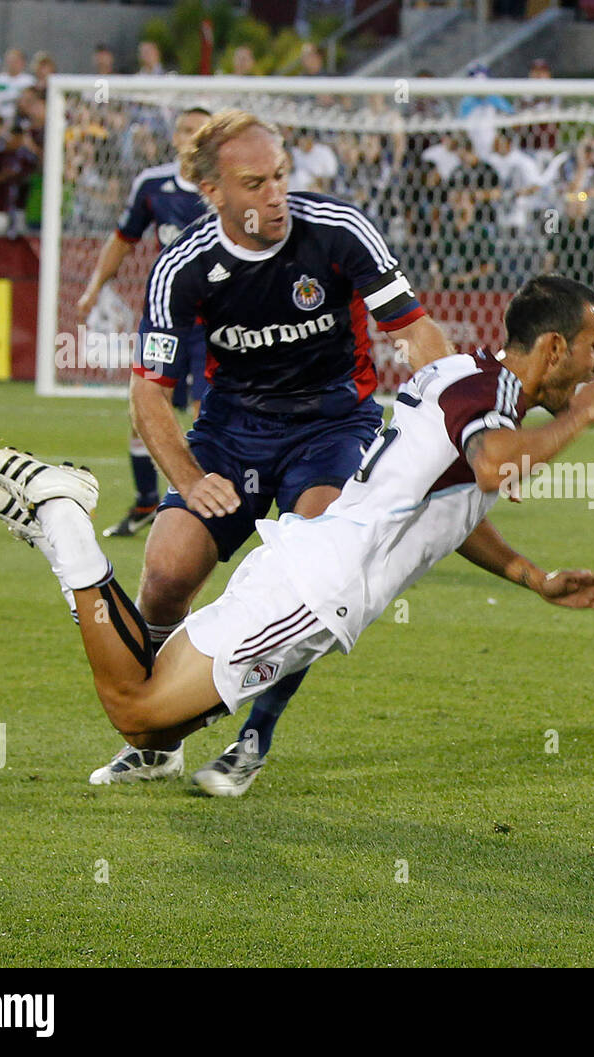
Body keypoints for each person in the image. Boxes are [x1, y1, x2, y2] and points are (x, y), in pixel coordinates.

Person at [0, 277, 594, 760]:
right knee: (137, 712)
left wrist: (532, 576)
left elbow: (450, 507)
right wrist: (584, 415)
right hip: (316, 591)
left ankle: (56, 527)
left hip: (306, 566)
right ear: (556, 346)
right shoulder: (489, 396)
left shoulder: (465, 376)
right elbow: (489, 466)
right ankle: (67, 518)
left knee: (155, 728)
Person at [84, 109, 450, 794]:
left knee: (315, 569)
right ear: (211, 191)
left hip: (333, 426)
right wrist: (191, 481)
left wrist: (469, 426)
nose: (275, 194)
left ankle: (253, 737)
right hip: (233, 430)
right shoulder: (182, 265)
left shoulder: (338, 229)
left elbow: (419, 332)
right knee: (164, 574)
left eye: (280, 176)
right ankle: (154, 740)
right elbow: (147, 396)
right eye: (254, 183)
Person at [76, 107, 213, 539]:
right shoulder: (153, 185)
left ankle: (209, 507)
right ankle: (146, 501)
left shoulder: (227, 185)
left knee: (205, 413)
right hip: (167, 318)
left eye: (197, 130)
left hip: (216, 322)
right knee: (142, 407)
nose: (187, 135)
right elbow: (123, 239)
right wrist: (95, 286)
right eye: (182, 129)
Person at [544, 189, 594, 293]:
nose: (577, 204)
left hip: (590, 280)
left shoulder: (593, 224)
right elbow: (550, 257)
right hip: (565, 279)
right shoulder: (561, 224)